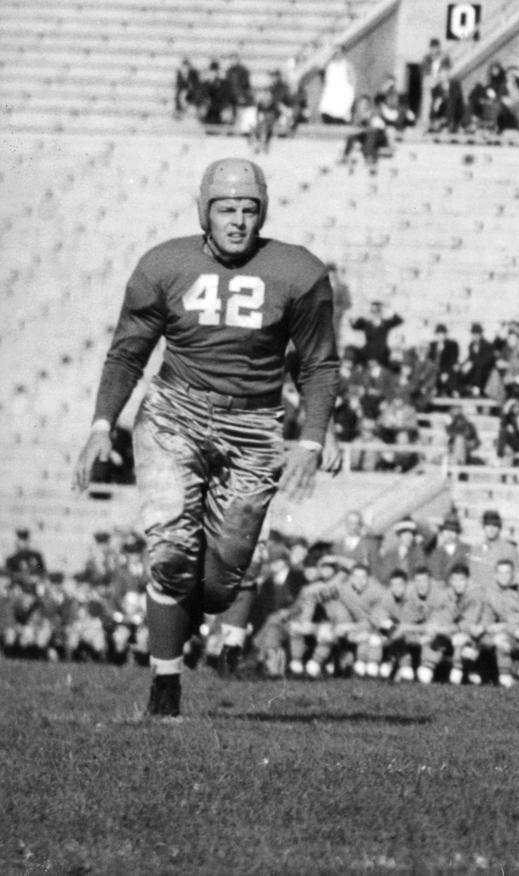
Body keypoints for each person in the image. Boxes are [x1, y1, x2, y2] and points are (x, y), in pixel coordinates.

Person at [72, 158, 341, 717]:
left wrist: (312, 439)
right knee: (170, 550)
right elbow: (128, 350)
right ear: (205, 211)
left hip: (254, 423)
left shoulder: (298, 271)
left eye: (249, 209)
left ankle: (184, 619)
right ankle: (165, 684)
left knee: (222, 581)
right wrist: (102, 424)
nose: (238, 220)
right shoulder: (165, 263)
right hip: (176, 412)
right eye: (226, 208)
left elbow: (318, 363)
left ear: (262, 212)